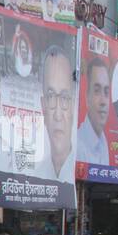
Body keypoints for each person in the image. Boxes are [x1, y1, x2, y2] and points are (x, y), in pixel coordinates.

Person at [37, 45, 76, 181]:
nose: (58, 115)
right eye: (51, 96)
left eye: (64, 98)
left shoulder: (81, 168)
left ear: (72, 107)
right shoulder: (34, 175)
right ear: (43, 107)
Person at [77, 57, 111, 165]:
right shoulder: (78, 146)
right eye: (97, 91)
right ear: (87, 97)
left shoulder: (103, 142)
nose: (103, 101)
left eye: (106, 92)